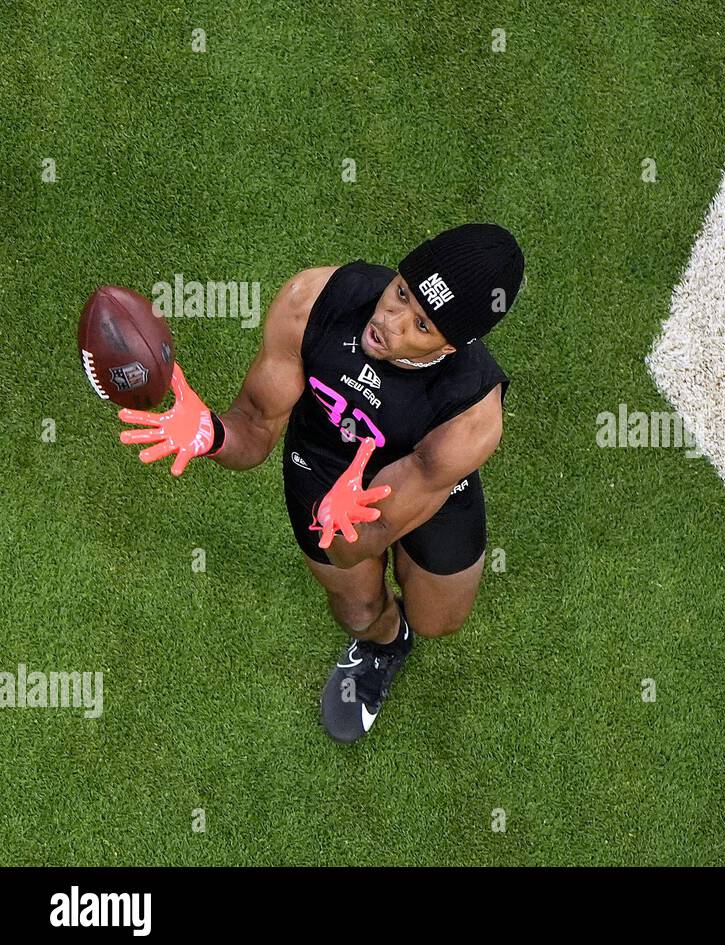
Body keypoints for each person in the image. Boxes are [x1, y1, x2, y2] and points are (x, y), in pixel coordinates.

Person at [116, 223, 524, 742]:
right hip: (324, 467)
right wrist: (213, 433)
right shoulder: (312, 301)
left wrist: (352, 526)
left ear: (450, 347)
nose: (389, 322)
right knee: (358, 611)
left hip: (430, 485)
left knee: (438, 620)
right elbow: (257, 426)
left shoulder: (471, 419)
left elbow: (365, 541)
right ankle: (385, 645)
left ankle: (409, 618)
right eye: (400, 291)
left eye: (421, 326)